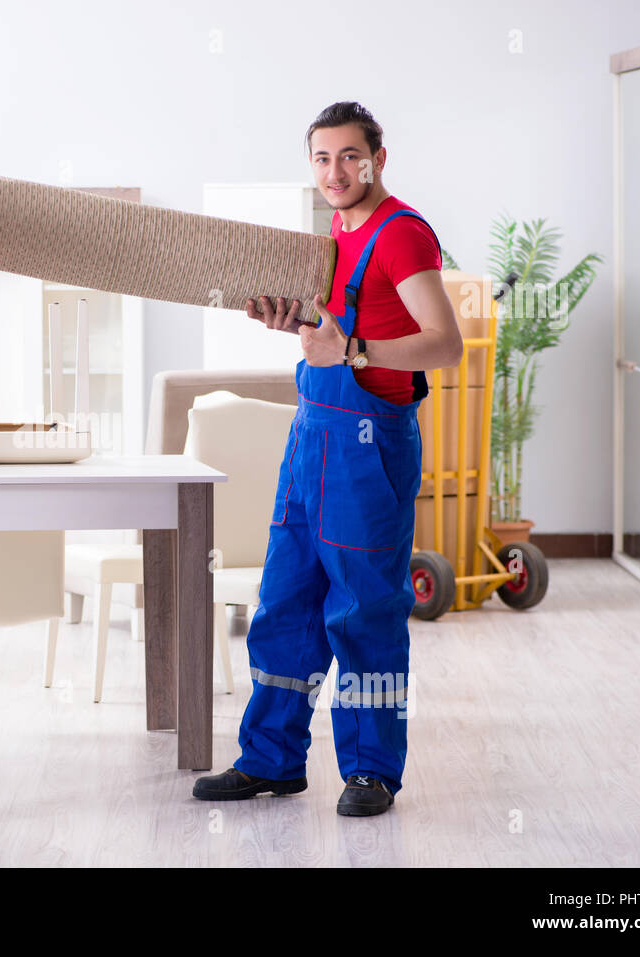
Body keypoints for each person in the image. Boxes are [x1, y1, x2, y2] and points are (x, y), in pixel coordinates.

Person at [192, 101, 462, 816]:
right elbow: (335, 329)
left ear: (378, 157)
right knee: (285, 601)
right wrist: (300, 322)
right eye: (321, 158)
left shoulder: (403, 235)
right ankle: (272, 760)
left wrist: (353, 350)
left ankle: (372, 770)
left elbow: (443, 342)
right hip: (310, 434)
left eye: (350, 155)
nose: (335, 171)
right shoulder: (333, 235)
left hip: (368, 444)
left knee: (363, 608)